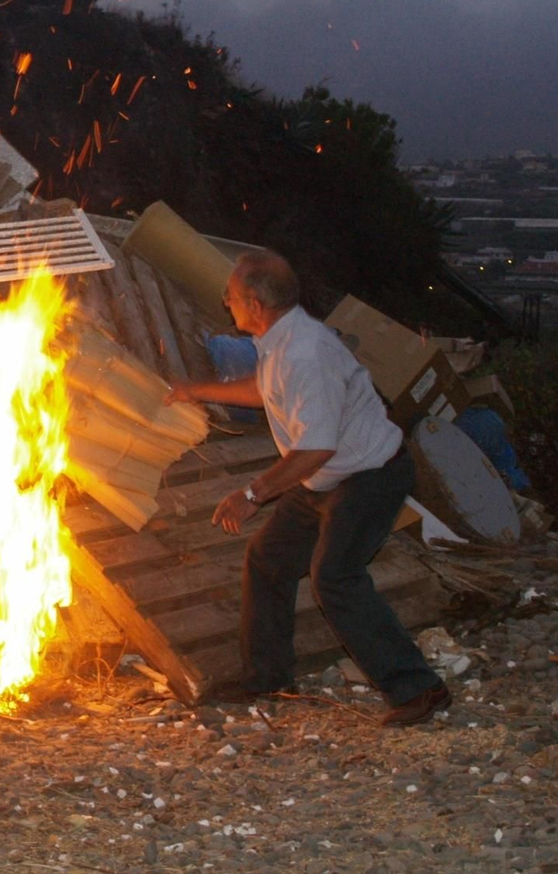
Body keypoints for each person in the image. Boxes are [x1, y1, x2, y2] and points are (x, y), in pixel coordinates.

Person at [165, 251, 449, 727]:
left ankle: (420, 689)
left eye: (231, 297)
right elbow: (265, 390)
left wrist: (252, 495)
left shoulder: (306, 352)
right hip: (326, 475)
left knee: (335, 577)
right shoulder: (279, 339)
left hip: (369, 475)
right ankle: (267, 679)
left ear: (255, 305)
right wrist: (195, 390)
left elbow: (316, 447)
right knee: (267, 558)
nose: (225, 302)